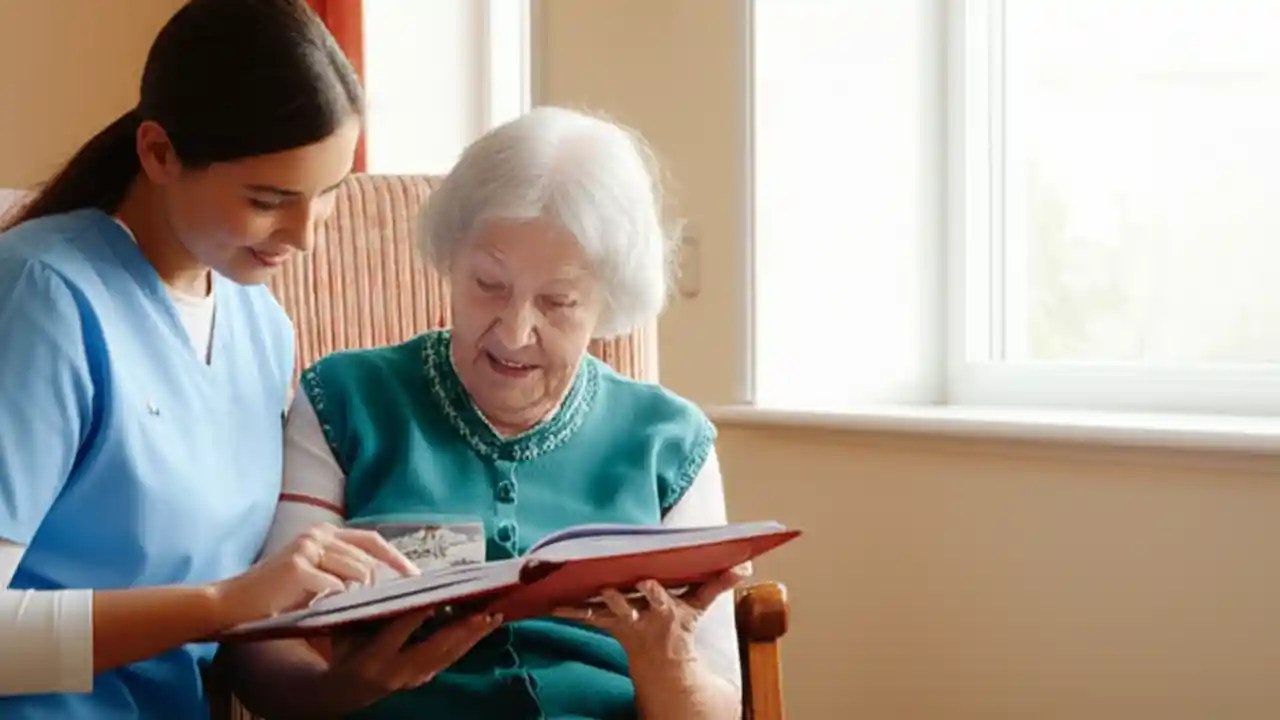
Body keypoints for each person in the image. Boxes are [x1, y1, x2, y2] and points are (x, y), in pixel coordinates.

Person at [0, 1, 488, 716]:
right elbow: (220, 608)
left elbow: (229, 647)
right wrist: (222, 602)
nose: (305, 236)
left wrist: (346, 686)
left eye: (327, 196)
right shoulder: (41, 299)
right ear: (158, 153)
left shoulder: (261, 329)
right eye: (268, 200)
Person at [227, 107, 748, 719]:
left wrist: (672, 668)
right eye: (488, 285)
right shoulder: (344, 400)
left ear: (608, 302)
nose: (515, 331)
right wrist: (347, 686)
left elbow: (714, 708)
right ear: (450, 258)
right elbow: (263, 651)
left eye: (557, 302)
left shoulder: (671, 444)